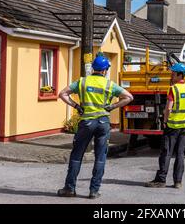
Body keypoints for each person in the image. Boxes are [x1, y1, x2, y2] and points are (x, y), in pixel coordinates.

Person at [57, 52, 133, 199]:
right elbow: (129, 97)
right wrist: (112, 106)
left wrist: (76, 106)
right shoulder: (110, 85)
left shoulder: (82, 82)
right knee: (100, 158)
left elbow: (62, 94)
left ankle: (69, 188)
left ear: (93, 68)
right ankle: (94, 191)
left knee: (76, 156)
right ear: (105, 70)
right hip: (103, 123)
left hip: (86, 123)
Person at [145, 63, 185, 189]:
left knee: (166, 153)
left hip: (172, 127)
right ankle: (178, 182)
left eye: (173, 73)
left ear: (180, 75)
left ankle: (161, 180)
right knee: (180, 154)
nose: (171, 76)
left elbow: (168, 107)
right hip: (184, 126)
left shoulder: (173, 89)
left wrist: (165, 121)